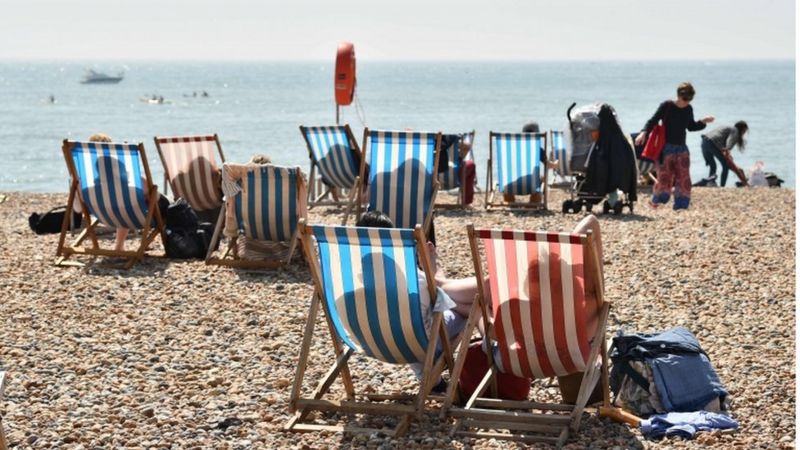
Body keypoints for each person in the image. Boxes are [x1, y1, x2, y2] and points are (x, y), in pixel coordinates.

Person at [635, 82, 714, 209]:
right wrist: (643, 132)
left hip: (682, 148)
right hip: (665, 148)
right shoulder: (667, 106)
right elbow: (653, 120)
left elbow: (691, 126)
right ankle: (657, 201)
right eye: (685, 99)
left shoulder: (688, 108)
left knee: (684, 178)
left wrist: (703, 122)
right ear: (679, 95)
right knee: (664, 178)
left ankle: (681, 205)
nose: (686, 102)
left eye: (689, 100)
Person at [86, 133, 169, 252]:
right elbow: (154, 197)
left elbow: (78, 209)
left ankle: (119, 246)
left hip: (104, 217)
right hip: (136, 217)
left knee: (124, 206)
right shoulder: (133, 183)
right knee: (138, 203)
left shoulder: (87, 184)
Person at [502, 122, 559, 204]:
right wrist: (557, 163)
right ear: (537, 135)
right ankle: (534, 202)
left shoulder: (512, 149)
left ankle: (510, 201)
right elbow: (548, 165)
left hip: (510, 185)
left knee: (510, 178)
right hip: (531, 185)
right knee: (541, 179)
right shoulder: (537, 149)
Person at [701, 121, 749, 187]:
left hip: (704, 142)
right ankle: (722, 186)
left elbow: (720, 139)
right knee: (725, 166)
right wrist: (727, 150)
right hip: (713, 143)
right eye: (744, 131)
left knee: (712, 165)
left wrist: (728, 155)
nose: (744, 133)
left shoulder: (727, 127)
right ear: (742, 129)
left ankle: (711, 183)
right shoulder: (735, 131)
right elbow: (729, 142)